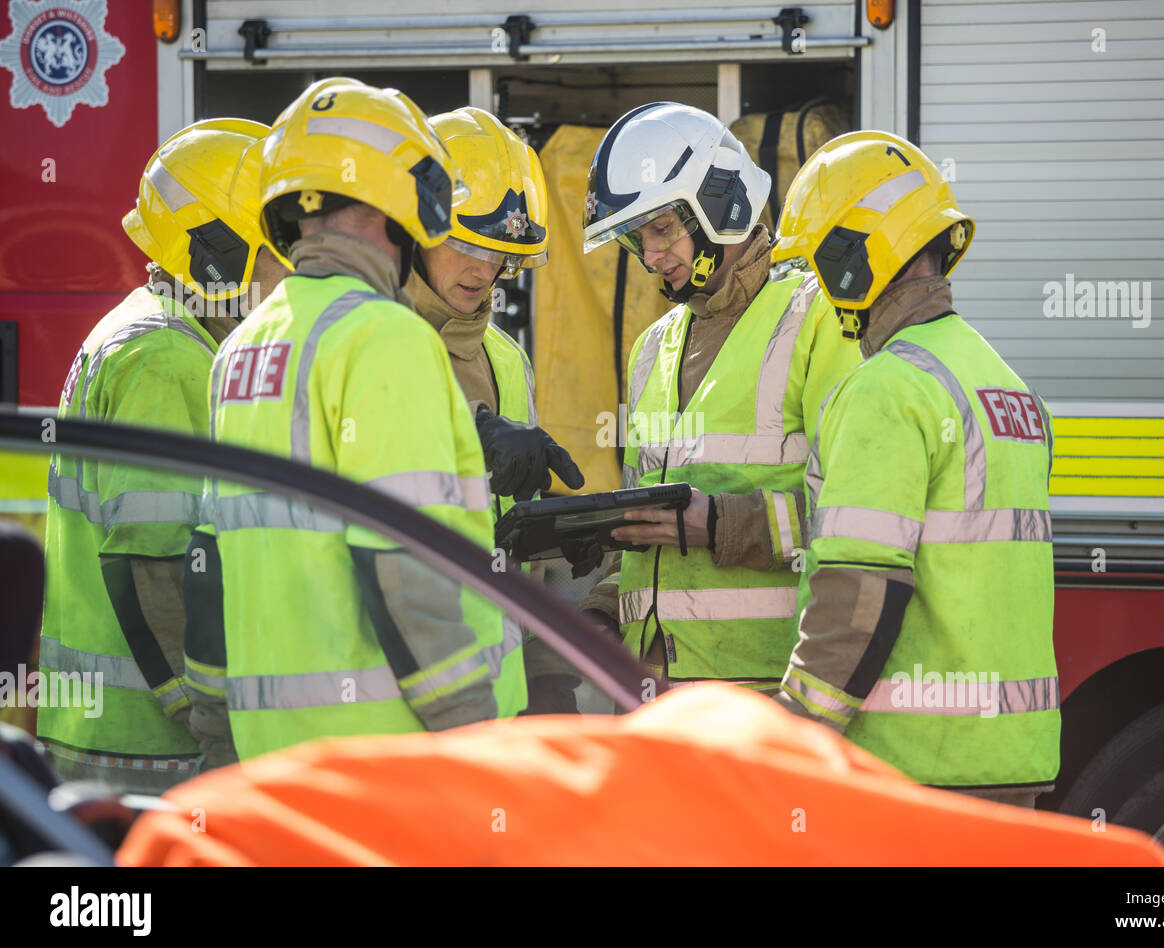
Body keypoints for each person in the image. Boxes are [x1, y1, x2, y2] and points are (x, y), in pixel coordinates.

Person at [207, 78, 527, 762]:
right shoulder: (386, 336)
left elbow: (207, 563)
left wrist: (213, 733)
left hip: (274, 757)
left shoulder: (242, 346)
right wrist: (473, 731)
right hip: (393, 759)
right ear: (403, 206)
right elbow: (401, 565)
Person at [768, 130, 1060, 807]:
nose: (816, 285)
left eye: (818, 263)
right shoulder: (1010, 387)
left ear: (853, 258)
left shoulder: (886, 389)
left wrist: (795, 737)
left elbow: (859, 593)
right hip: (1015, 756)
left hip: (916, 766)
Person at [39, 119, 289, 795]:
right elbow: (153, 564)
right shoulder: (168, 362)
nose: (293, 272)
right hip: (147, 740)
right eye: (278, 251)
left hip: (107, 724)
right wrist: (211, 723)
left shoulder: (150, 330)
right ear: (218, 254)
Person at [577, 102, 861, 692]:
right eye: (637, 239)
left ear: (722, 202)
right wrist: (601, 612)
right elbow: (645, 526)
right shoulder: (652, 348)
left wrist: (721, 524)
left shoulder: (821, 320)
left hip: (766, 698)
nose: (652, 257)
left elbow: (862, 523)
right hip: (650, 695)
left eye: (661, 229)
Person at [406, 107, 583, 517]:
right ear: (414, 231)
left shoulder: (507, 359)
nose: (484, 271)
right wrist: (474, 433)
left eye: (499, 253)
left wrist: (542, 549)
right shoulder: (359, 336)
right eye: (467, 245)